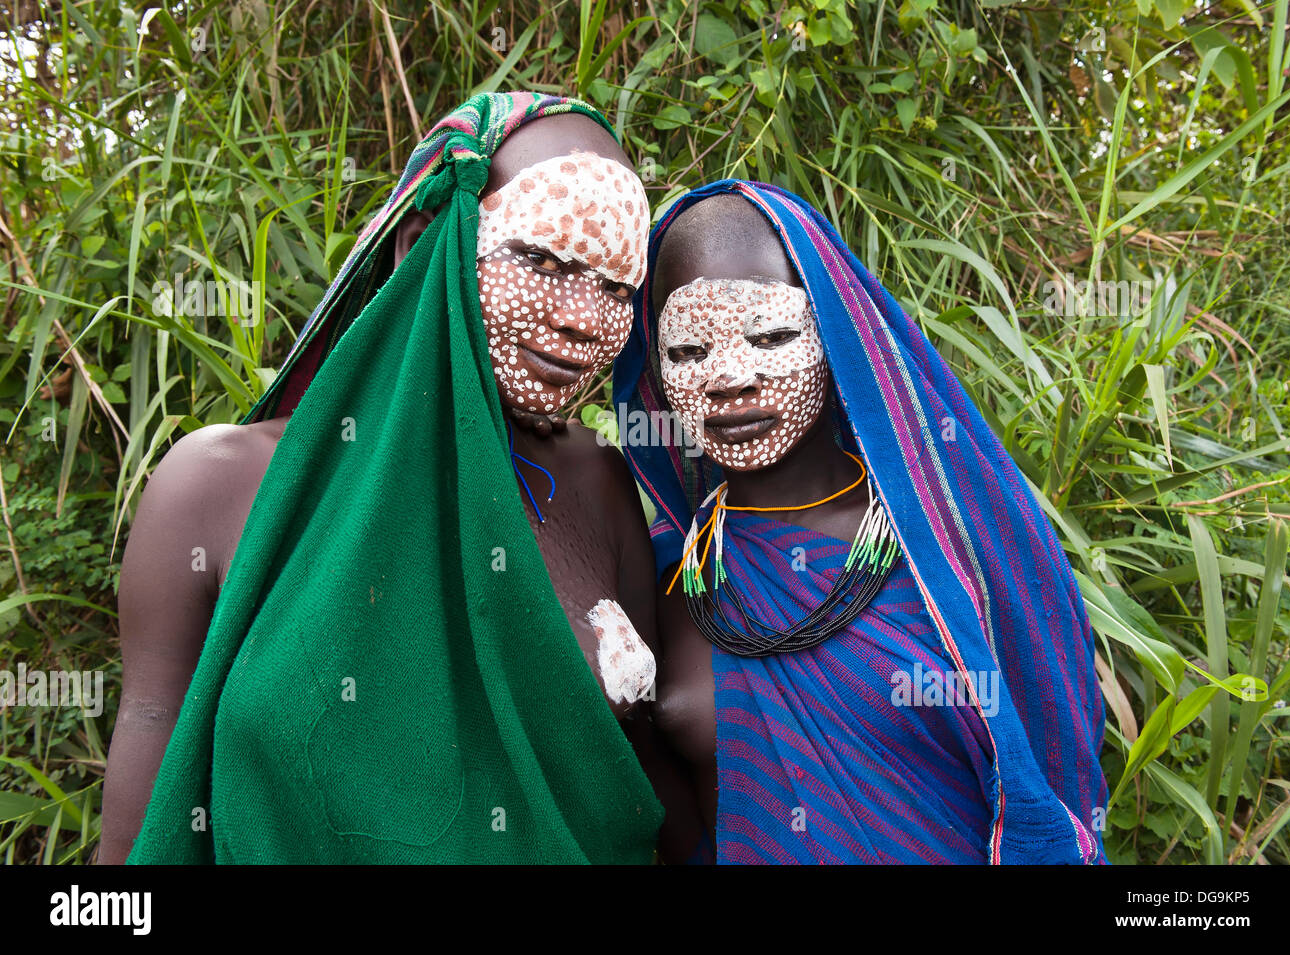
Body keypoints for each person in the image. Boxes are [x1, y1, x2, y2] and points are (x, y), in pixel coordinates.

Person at [103, 92, 672, 864]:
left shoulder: (599, 482)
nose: (583, 318)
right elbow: (149, 784)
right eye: (545, 260)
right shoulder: (217, 486)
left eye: (615, 288)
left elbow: (642, 775)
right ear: (420, 243)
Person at [611, 180, 1110, 864]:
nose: (729, 377)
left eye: (771, 335)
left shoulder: (950, 557)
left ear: (835, 334)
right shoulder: (672, 579)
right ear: (656, 373)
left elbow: (1049, 771)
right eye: (689, 350)